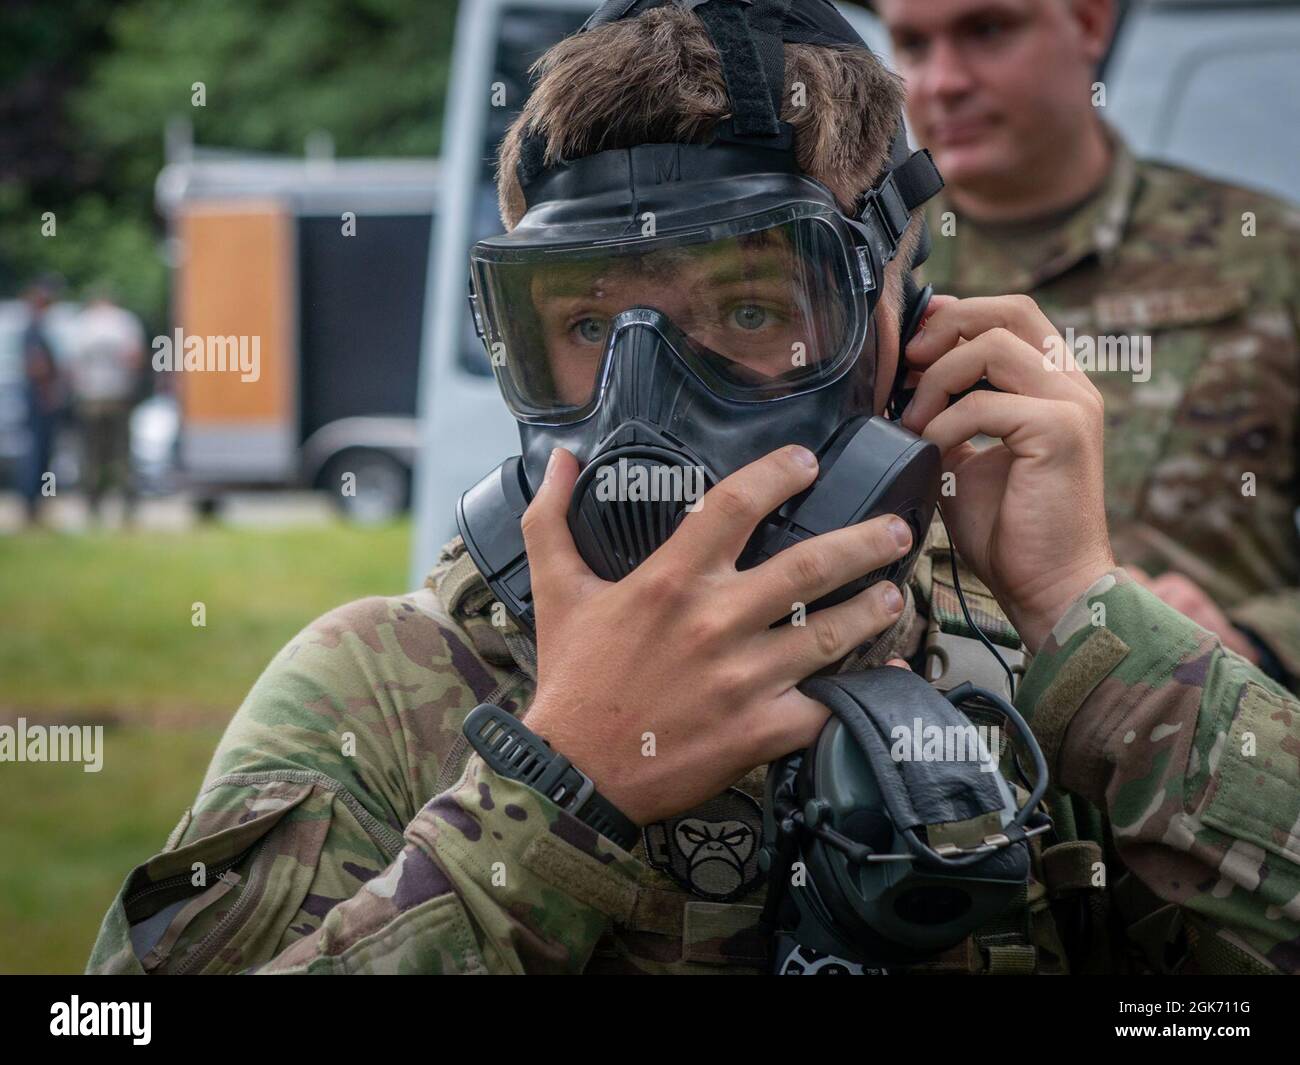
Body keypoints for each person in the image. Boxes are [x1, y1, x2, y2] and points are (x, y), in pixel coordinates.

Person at [89, 0, 1300, 975]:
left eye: (754, 307)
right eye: (583, 321)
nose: (646, 394)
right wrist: (554, 792)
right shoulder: (385, 690)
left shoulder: (1023, 678)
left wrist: (1093, 620)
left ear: (905, 322)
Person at [876, 0, 1300, 690]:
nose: (942, 81)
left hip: (1196, 753)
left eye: (987, 30)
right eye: (913, 45)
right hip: (953, 761)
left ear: (1090, 24)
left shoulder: (1265, 253)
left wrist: (1254, 639)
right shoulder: (863, 275)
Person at [68, 287, 144, 522]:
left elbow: (72, 365)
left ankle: (93, 507)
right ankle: (127, 508)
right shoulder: (126, 322)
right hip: (118, 395)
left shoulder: (83, 324)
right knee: (122, 454)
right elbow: (136, 358)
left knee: (92, 455)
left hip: (91, 396)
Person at [17, 277, 66, 526]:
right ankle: (32, 505)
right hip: (39, 400)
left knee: (39, 454)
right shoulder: (35, 329)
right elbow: (37, 366)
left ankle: (35, 506)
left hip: (36, 399)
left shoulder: (33, 328)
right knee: (38, 455)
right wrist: (49, 394)